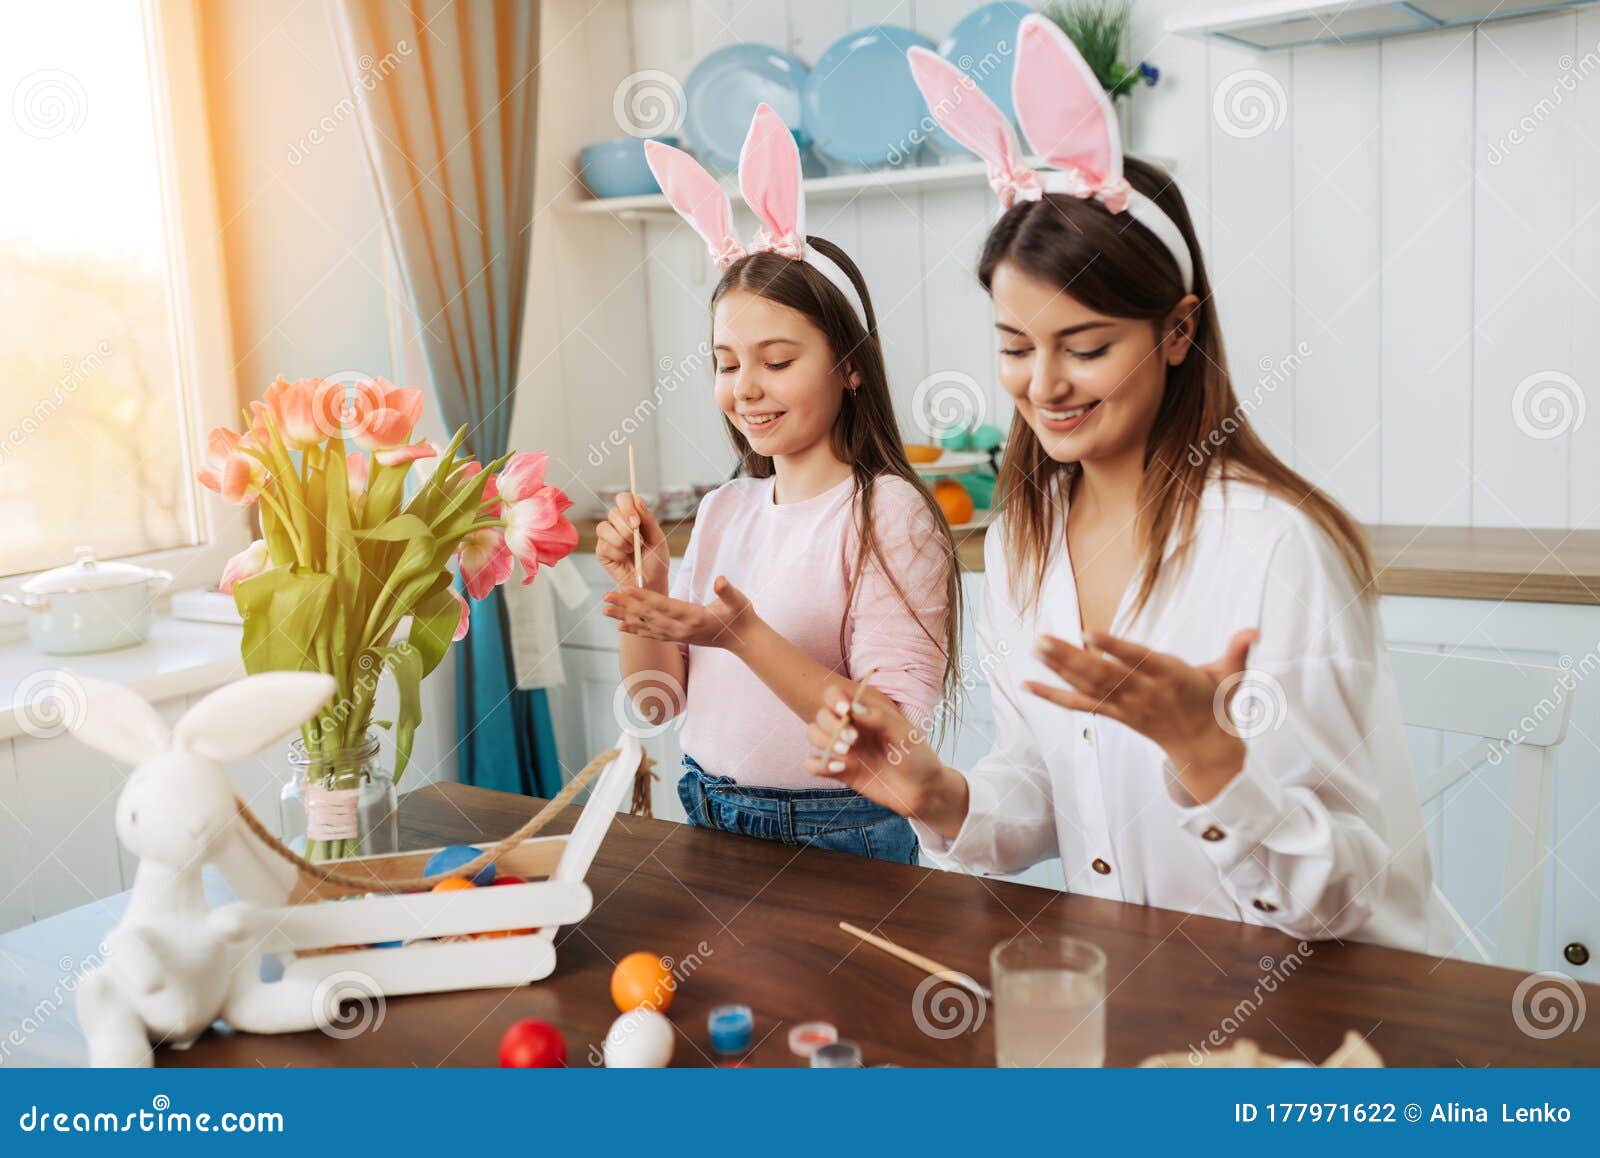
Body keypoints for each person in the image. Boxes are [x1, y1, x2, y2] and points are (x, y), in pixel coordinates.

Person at [804, 17, 1431, 947]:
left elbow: (1342, 896)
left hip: (1318, 1025)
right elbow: (1047, 788)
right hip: (1146, 998)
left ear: (1177, 333)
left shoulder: (1274, 548)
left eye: (1086, 347)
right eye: (1015, 348)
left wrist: (1214, 762)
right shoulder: (1023, 535)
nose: (1043, 385)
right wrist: (942, 795)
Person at [593, 105, 960, 864]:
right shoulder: (727, 508)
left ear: (850, 364)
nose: (746, 388)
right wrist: (647, 595)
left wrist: (743, 636)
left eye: (778, 360)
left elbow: (886, 734)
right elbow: (658, 703)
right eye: (727, 363)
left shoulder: (887, 513)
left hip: (838, 833)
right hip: (704, 808)